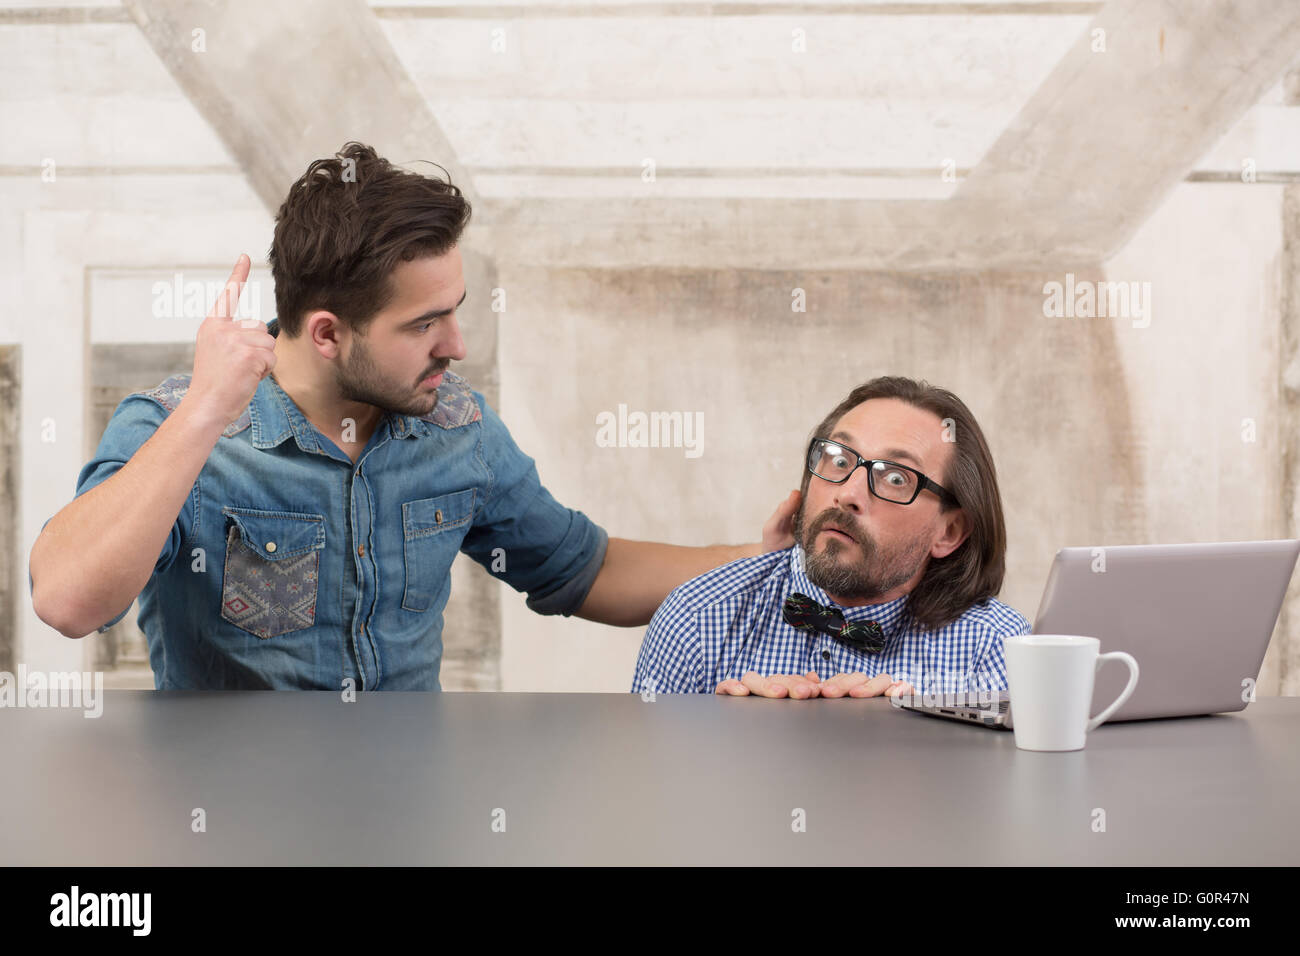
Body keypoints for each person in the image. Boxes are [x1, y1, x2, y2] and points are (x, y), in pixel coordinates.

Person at [28, 142, 798, 690]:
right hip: (225, 817)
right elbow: (67, 602)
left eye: (455, 312)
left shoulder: (456, 429)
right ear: (328, 332)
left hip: (406, 814)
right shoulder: (172, 424)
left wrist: (762, 562)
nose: (457, 346)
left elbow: (585, 570)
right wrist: (203, 413)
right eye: (424, 324)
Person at [631, 376, 1032, 698]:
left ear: (949, 532)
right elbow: (645, 793)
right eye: (839, 459)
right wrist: (731, 744)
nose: (848, 493)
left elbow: (1024, 797)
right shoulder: (696, 619)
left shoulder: (997, 650)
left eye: (895, 478)